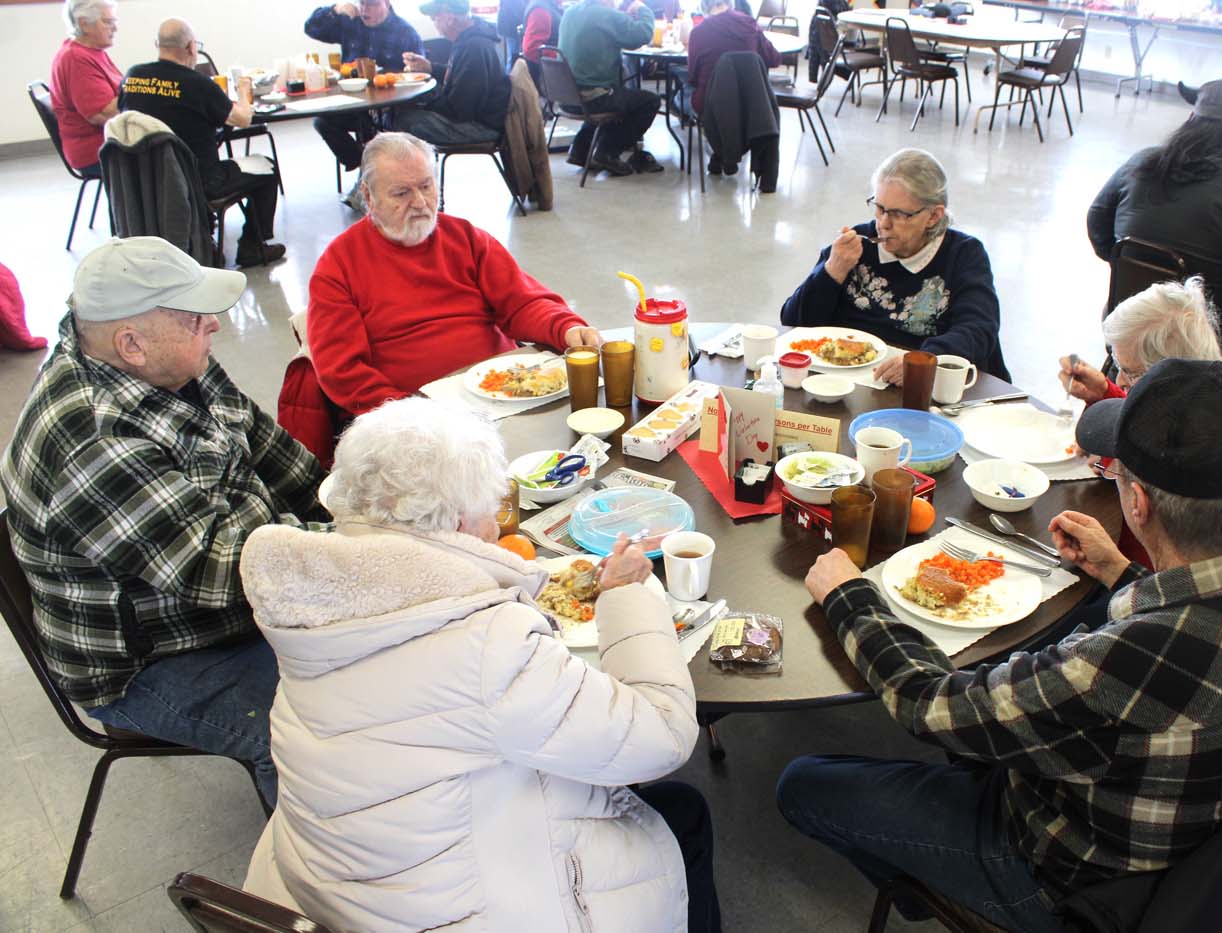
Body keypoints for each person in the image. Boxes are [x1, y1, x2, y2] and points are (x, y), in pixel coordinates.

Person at [780, 358, 1222, 931]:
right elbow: (1210, 642)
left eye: (1119, 472)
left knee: (801, 785)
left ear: (1139, 504)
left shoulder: (1114, 665)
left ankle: (929, 878)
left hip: (1078, 885)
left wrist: (849, 597)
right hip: (1207, 851)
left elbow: (929, 705)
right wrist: (1124, 575)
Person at [241, 397, 721, 933]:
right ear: (463, 521)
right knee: (682, 811)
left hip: (330, 889)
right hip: (460, 911)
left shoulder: (322, 598)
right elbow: (663, 736)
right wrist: (629, 592)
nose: (497, 526)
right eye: (492, 509)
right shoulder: (484, 643)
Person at [0, 237, 329, 808]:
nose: (215, 329)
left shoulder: (173, 364)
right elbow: (221, 575)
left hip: (226, 595)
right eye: (198, 319)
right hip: (154, 661)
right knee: (313, 737)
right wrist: (363, 553)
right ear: (132, 343)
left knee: (382, 663)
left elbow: (281, 460)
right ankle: (322, 881)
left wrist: (354, 513)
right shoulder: (93, 439)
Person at [306, 132, 600, 418]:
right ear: (369, 197)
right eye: (402, 193)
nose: (420, 202)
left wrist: (565, 327)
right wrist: (408, 412)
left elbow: (522, 302)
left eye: (426, 186)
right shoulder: (339, 265)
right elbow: (342, 370)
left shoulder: (465, 237)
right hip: (411, 414)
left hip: (500, 391)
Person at [1057, 277, 1222, 569]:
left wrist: (1117, 572)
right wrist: (1107, 395)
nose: (1120, 380)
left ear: (1170, 379)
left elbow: (1189, 564)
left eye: (1131, 373)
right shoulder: (1211, 384)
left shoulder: (1220, 437)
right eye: (1117, 367)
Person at [1086, 78, 1222, 390]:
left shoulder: (1141, 162)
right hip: (1203, 334)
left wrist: (1132, 272)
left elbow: (1097, 224)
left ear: (1191, 120)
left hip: (1132, 313)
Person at [781, 148, 1010, 383]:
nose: (883, 223)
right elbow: (793, 323)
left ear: (933, 216)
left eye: (898, 214)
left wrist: (925, 359)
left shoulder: (963, 254)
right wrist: (831, 272)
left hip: (923, 384)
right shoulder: (858, 242)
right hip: (848, 381)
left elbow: (979, 330)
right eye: (879, 208)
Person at [118, 19, 286, 268]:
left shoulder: (132, 77)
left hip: (147, 177)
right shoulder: (197, 84)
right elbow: (243, 119)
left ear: (157, 45)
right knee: (267, 167)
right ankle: (251, 246)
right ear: (190, 48)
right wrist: (243, 90)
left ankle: (204, 238)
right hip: (200, 181)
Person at [303, 1, 423, 195]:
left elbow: (417, 76)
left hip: (387, 105)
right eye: (362, 4)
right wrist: (335, 10)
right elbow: (311, 28)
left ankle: (370, 179)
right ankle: (366, 168)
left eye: (373, 4)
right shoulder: (351, 24)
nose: (366, 10)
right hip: (352, 101)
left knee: (379, 129)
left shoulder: (405, 32)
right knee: (323, 121)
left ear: (387, 4)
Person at [558, 0, 664, 177]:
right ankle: (607, 152)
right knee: (650, 101)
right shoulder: (606, 15)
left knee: (613, 93)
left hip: (568, 97)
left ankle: (580, 150)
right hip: (593, 98)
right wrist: (643, 9)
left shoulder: (570, 13)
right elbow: (642, 34)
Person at [398, 0, 510, 148]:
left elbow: (459, 110)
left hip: (481, 127)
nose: (432, 20)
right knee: (405, 112)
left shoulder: (474, 48)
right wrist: (430, 68)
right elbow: (462, 77)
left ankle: (418, 169)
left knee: (403, 120)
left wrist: (423, 100)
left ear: (450, 18)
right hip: (474, 116)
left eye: (435, 16)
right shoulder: (471, 38)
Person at [50, 0, 122, 174]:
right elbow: (102, 114)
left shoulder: (92, 51)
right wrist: (145, 92)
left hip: (108, 139)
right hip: (95, 149)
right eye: (107, 22)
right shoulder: (76, 59)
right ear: (84, 24)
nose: (115, 28)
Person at [683, 0, 779, 121]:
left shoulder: (698, 32)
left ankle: (698, 128)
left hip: (711, 104)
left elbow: (692, 77)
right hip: (750, 102)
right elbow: (774, 59)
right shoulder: (750, 24)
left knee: (680, 95)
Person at [520, 0, 564, 82]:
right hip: (547, 76)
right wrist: (562, 56)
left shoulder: (549, 6)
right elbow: (531, 50)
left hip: (551, 70)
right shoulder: (540, 11)